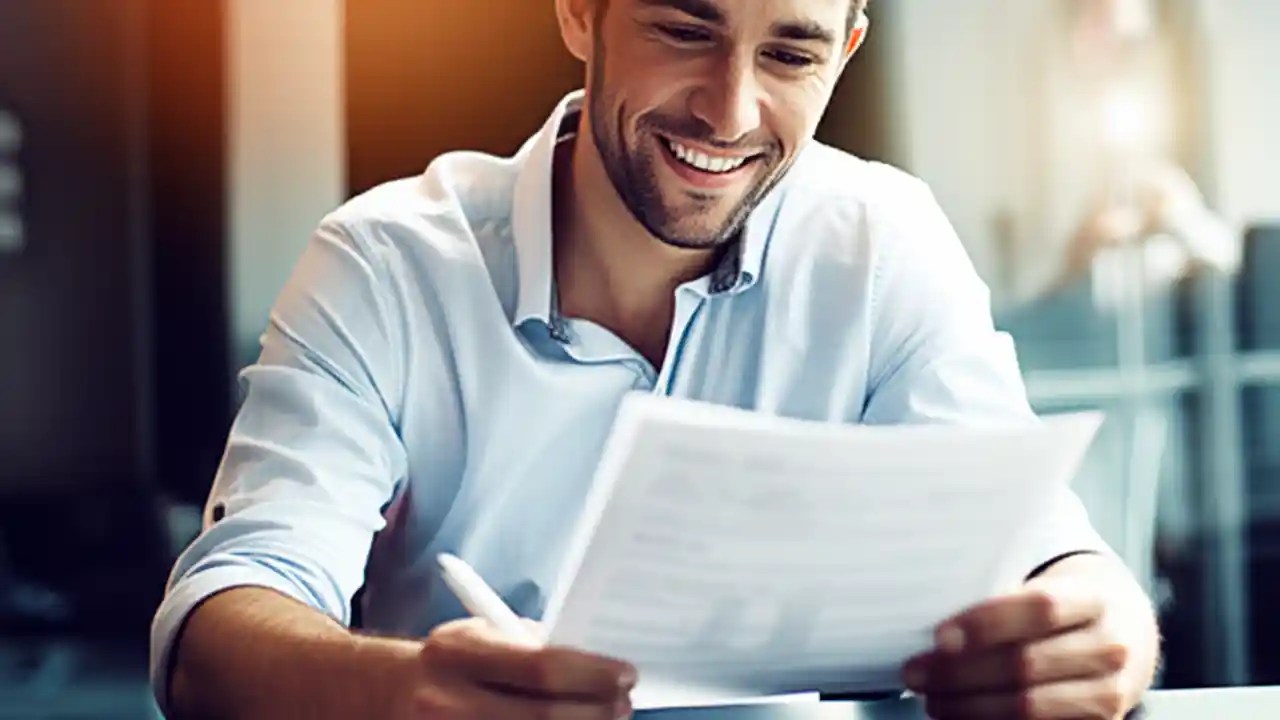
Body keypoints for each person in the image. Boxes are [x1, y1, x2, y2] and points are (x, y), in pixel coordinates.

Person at [151, 1, 1161, 718]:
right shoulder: (385, 265)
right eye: (685, 30)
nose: (726, 113)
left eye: (789, 56)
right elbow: (215, 627)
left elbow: (1041, 548)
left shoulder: (882, 242)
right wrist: (401, 696)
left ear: (844, 53)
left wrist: (1104, 628)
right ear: (578, 12)